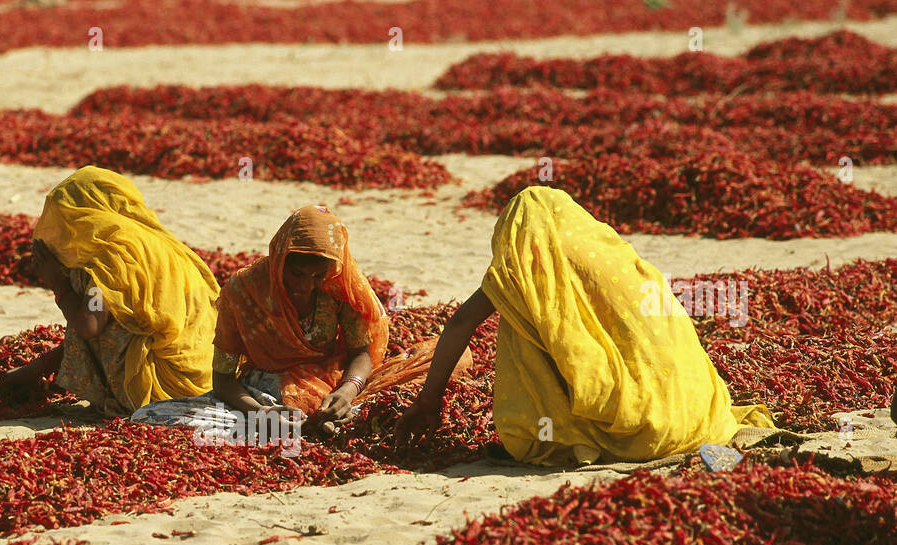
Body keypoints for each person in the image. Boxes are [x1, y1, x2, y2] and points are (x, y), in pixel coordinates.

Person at [395, 186, 772, 464]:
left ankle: (580, 432)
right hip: (692, 412)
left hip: (635, 432)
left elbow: (461, 322)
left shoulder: (522, 273)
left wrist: (429, 400)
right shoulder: (619, 258)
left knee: (526, 315)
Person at [133, 205, 460, 439]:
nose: (306, 284)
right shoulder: (244, 291)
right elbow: (222, 379)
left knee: (447, 358)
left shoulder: (337, 288)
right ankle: (315, 425)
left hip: (332, 387)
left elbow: (361, 353)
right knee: (146, 416)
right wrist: (260, 413)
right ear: (279, 259)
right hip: (264, 393)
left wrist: (346, 392)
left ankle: (331, 418)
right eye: (297, 273)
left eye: (317, 275)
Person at [0, 166, 219, 416]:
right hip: (204, 377)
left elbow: (89, 325)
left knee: (83, 283)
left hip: (164, 389)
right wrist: (37, 368)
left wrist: (57, 282)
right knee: (95, 291)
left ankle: (120, 398)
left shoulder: (113, 255)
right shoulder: (153, 241)